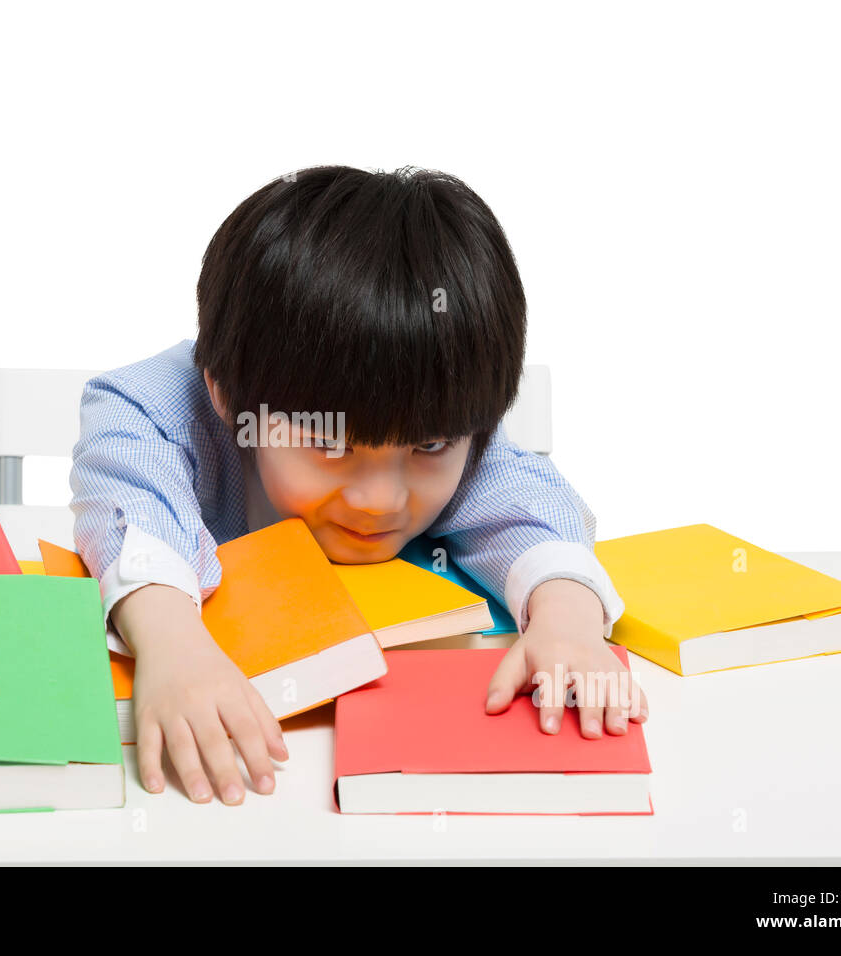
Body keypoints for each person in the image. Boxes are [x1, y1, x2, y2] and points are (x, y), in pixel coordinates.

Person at [69, 165, 647, 806]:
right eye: (328, 445)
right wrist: (172, 642)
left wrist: (567, 622)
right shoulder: (160, 406)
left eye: (427, 447)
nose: (380, 500)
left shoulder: (441, 406)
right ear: (229, 400)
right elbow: (129, 498)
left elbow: (530, 507)